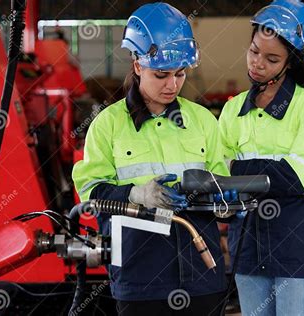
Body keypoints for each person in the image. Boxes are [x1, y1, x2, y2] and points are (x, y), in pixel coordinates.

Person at [73, 3, 230, 315]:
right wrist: (134, 193)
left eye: (180, 74)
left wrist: (219, 195)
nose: (172, 85)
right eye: (161, 75)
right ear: (136, 65)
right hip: (140, 277)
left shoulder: (203, 121)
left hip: (203, 273)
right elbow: (90, 193)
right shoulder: (108, 125)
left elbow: (223, 185)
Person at [218, 0, 304, 315]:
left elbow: (296, 177)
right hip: (249, 247)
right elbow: (218, 173)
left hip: (298, 247)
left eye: (271, 59)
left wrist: (238, 173)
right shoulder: (233, 110)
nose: (257, 63)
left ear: (291, 63)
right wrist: (240, 176)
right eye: (254, 51)